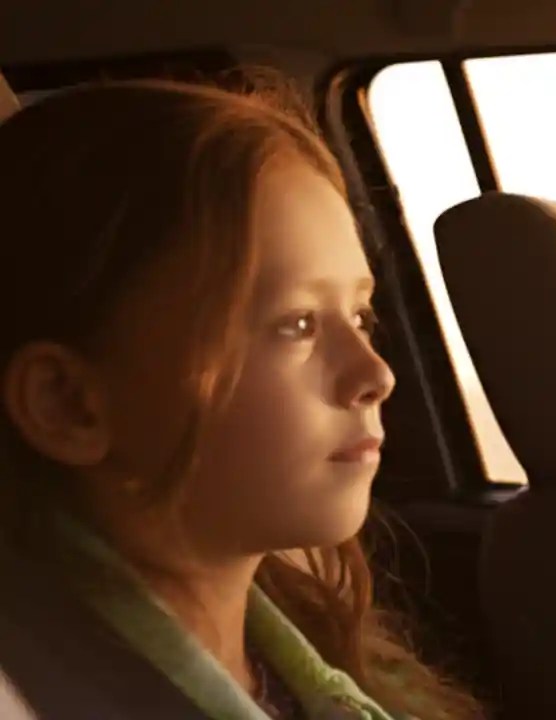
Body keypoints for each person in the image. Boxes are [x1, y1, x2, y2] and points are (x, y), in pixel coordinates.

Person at [0, 79, 482, 719]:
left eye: (361, 316)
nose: (376, 373)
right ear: (70, 406)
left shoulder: (312, 647)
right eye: (298, 324)